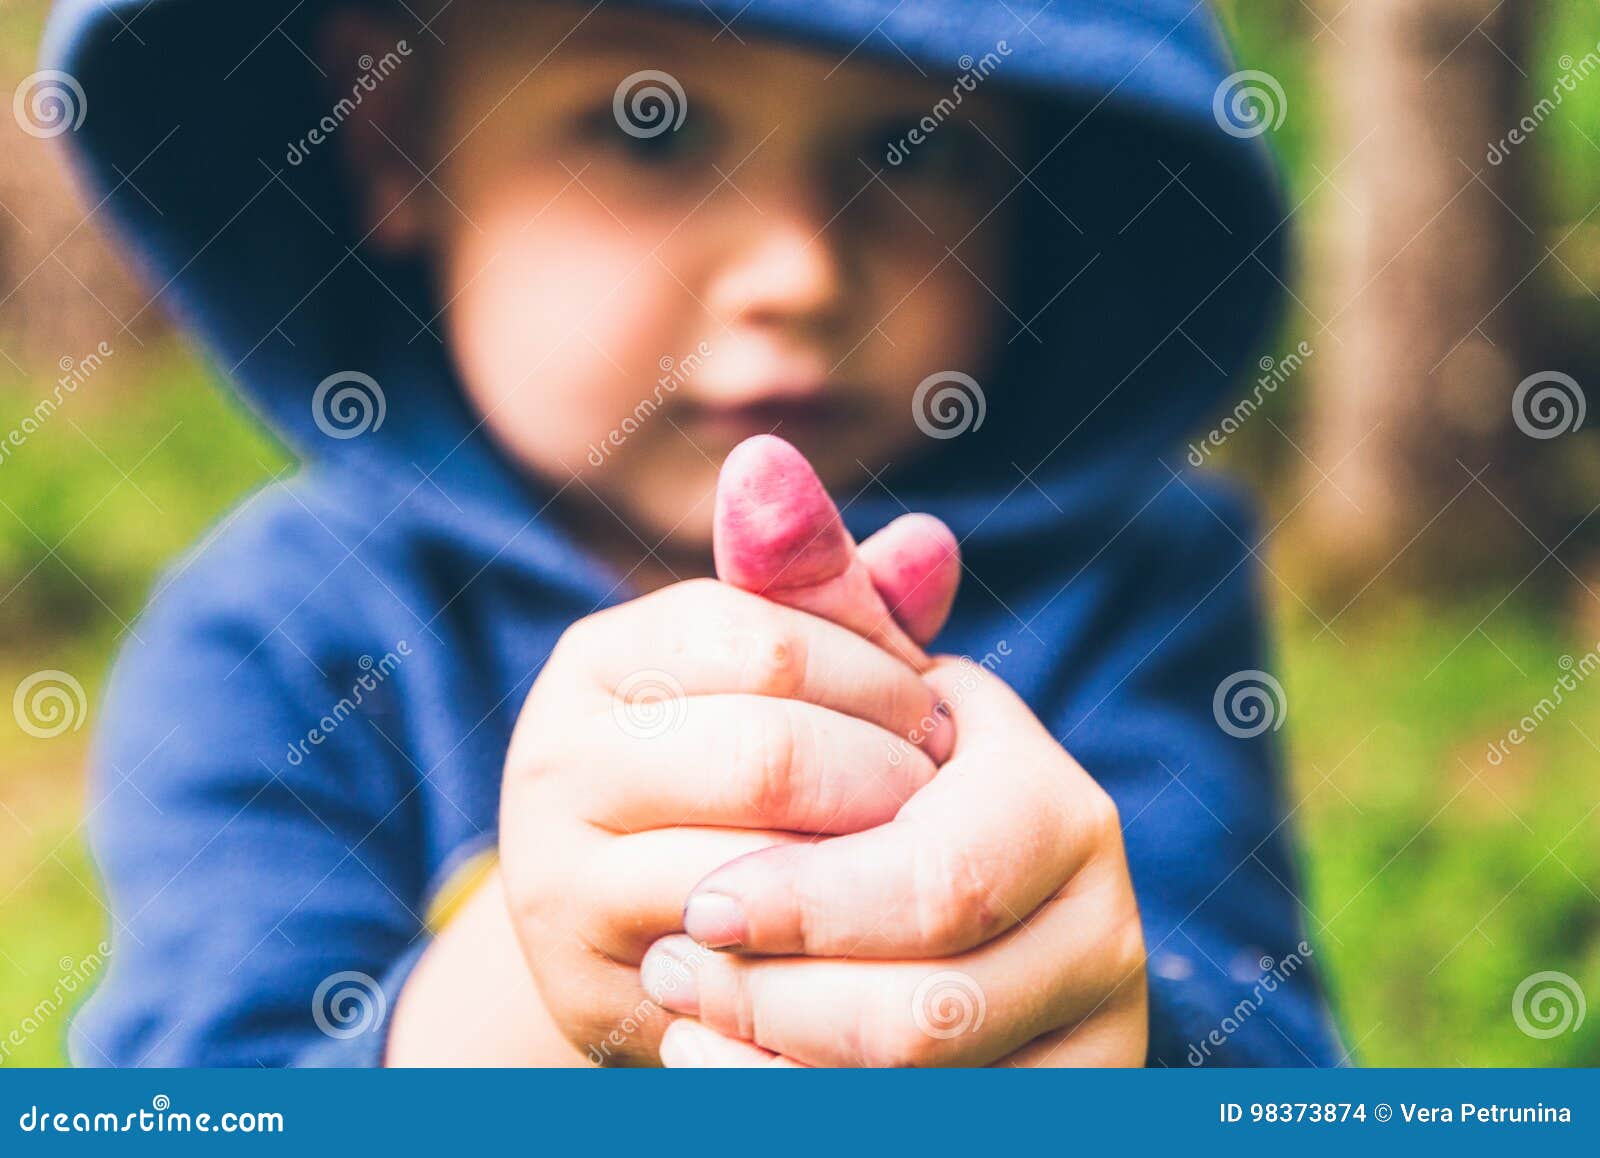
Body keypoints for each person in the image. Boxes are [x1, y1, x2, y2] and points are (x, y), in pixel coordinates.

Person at [48, 0, 1343, 1065]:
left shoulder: (1138, 584)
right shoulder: (277, 639)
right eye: (648, 123)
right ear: (394, 135)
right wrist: (532, 994)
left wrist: (1107, 1028)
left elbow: (1270, 1047)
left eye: (914, 148)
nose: (799, 271)